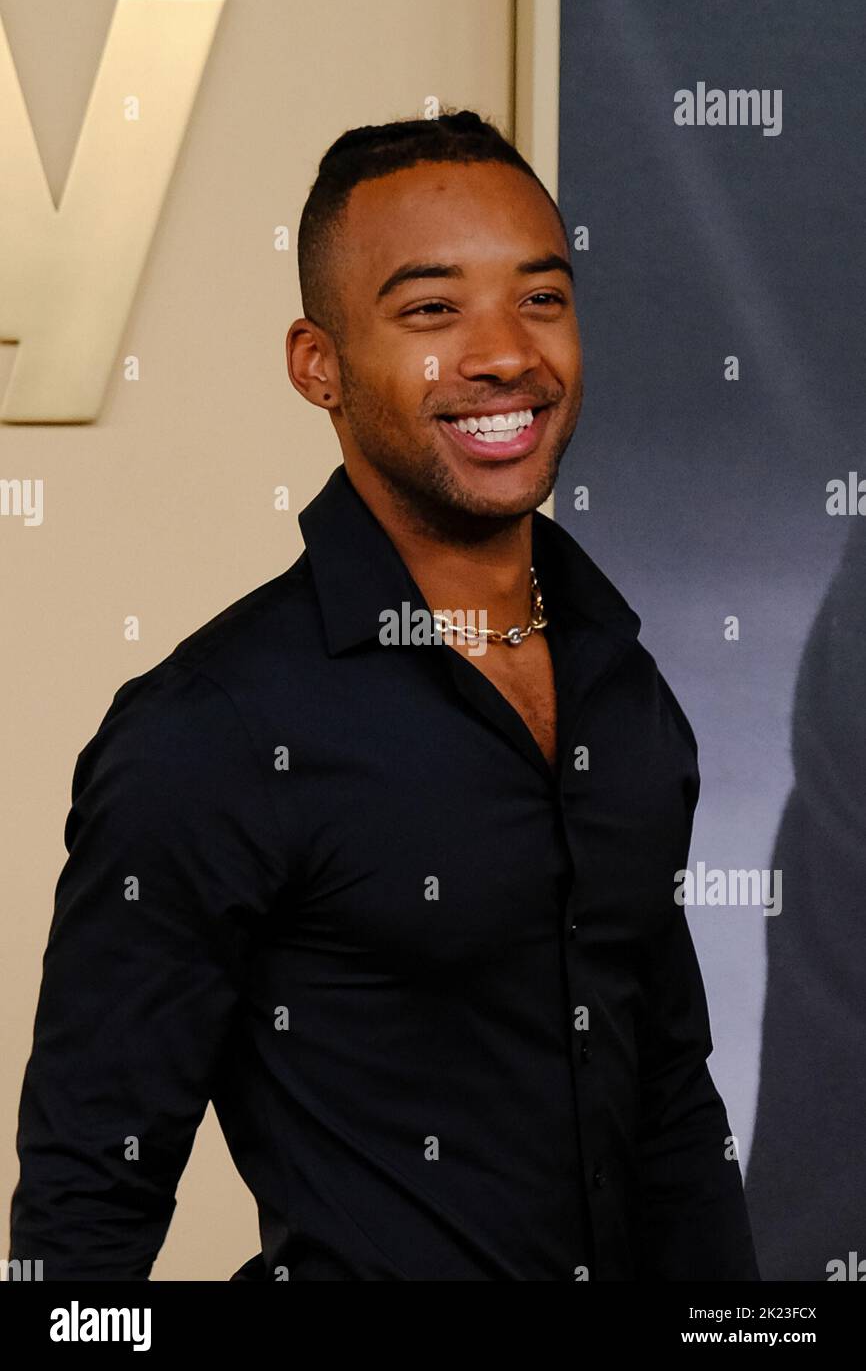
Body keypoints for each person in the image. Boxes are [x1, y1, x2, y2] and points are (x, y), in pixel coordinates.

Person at [8, 110, 760, 1281]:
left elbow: (668, 1104)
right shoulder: (209, 731)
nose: (505, 352)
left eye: (540, 298)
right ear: (319, 365)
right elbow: (80, 1217)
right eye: (430, 310)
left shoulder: (624, 688)